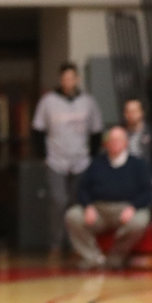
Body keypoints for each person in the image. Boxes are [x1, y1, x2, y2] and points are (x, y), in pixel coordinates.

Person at [31, 62, 103, 256]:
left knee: (77, 203)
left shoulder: (88, 102)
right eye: (65, 78)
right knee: (58, 200)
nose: (68, 81)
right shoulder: (48, 101)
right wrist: (43, 155)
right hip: (56, 160)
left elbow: (96, 132)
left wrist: (92, 155)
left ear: (77, 79)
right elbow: (37, 130)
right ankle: (55, 243)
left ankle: (76, 244)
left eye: (72, 78)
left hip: (81, 161)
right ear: (60, 79)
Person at [63, 126, 152, 271]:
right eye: (111, 140)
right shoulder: (97, 163)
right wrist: (88, 206)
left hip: (126, 209)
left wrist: (133, 207)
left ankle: (116, 258)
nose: (114, 143)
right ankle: (93, 258)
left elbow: (147, 192)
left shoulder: (138, 164)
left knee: (140, 222)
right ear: (106, 144)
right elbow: (82, 189)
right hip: (99, 210)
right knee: (72, 216)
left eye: (118, 140)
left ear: (125, 143)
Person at [121, 98, 152, 166]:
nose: (131, 115)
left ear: (142, 112)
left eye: (134, 111)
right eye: (128, 111)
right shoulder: (119, 134)